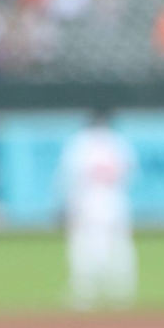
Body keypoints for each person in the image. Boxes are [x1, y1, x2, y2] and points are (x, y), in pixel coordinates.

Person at [58, 106, 138, 306]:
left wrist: (67, 203)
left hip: (88, 199)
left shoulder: (80, 142)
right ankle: (121, 292)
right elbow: (131, 172)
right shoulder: (118, 141)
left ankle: (85, 292)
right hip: (116, 199)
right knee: (119, 245)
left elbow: (69, 175)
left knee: (84, 245)